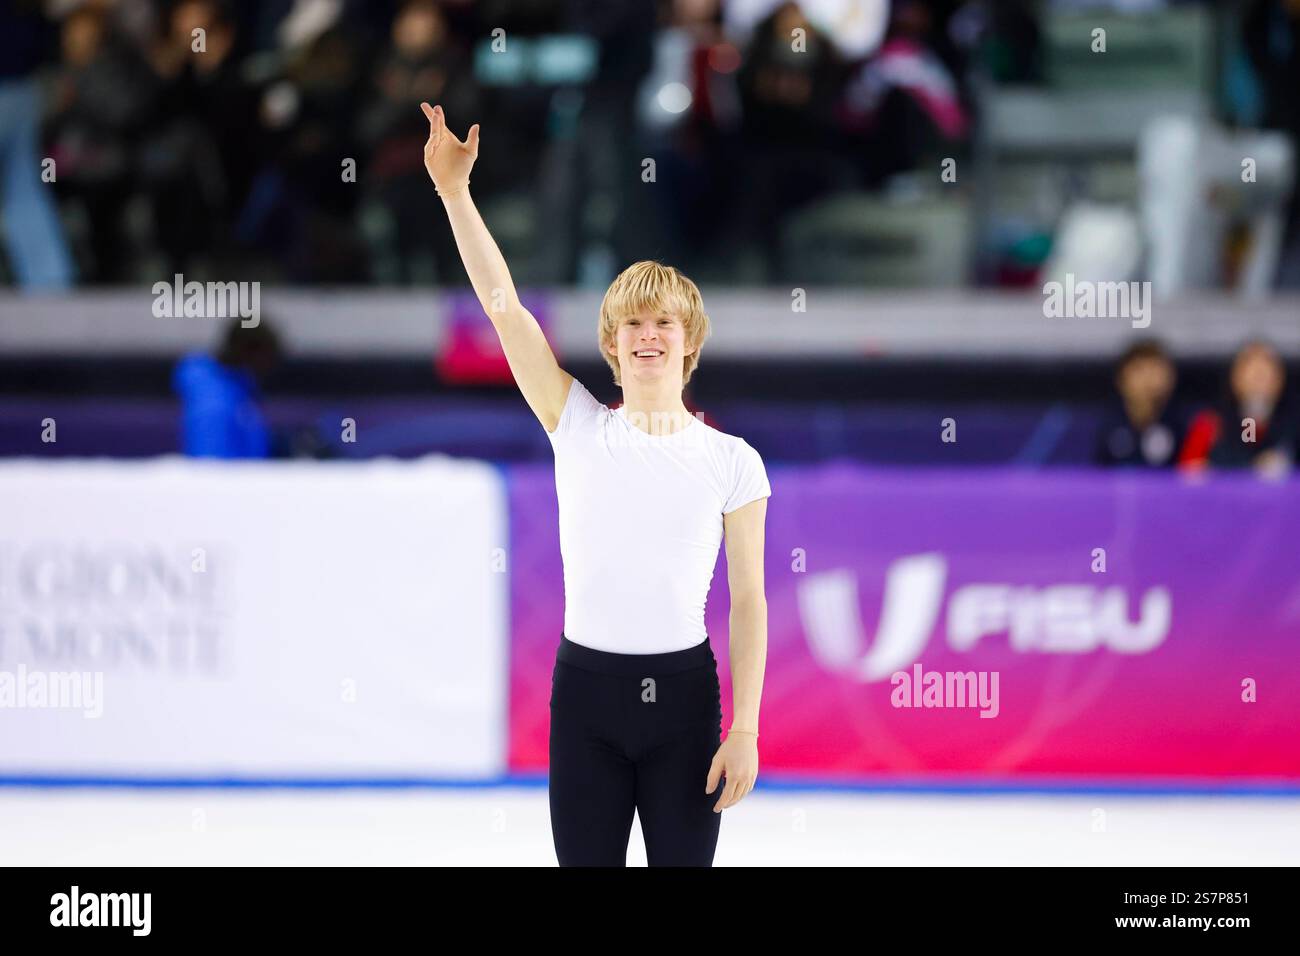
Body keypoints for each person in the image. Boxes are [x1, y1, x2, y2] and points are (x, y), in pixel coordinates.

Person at [422, 101, 770, 866]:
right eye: (633, 327)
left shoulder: (733, 461)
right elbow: (502, 304)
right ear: (611, 345)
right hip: (585, 697)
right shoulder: (574, 422)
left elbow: (749, 600)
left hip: (685, 702)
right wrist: (455, 194)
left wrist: (743, 728)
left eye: (664, 326)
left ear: (690, 343)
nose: (649, 337)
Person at [1179, 339, 1296, 476]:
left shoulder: (1293, 425)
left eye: (1265, 374)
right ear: (1235, 378)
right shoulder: (1210, 422)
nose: (1259, 383)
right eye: (1253, 374)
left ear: (1279, 379)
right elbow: (1188, 474)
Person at [173, 317, 282, 458]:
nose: (271, 366)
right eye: (268, 357)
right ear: (247, 351)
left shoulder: (238, 392)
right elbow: (210, 469)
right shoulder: (213, 405)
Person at [1094, 340, 1186, 468]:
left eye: (1155, 370)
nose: (1148, 380)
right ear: (1121, 378)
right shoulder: (1103, 423)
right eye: (1140, 370)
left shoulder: (1184, 425)